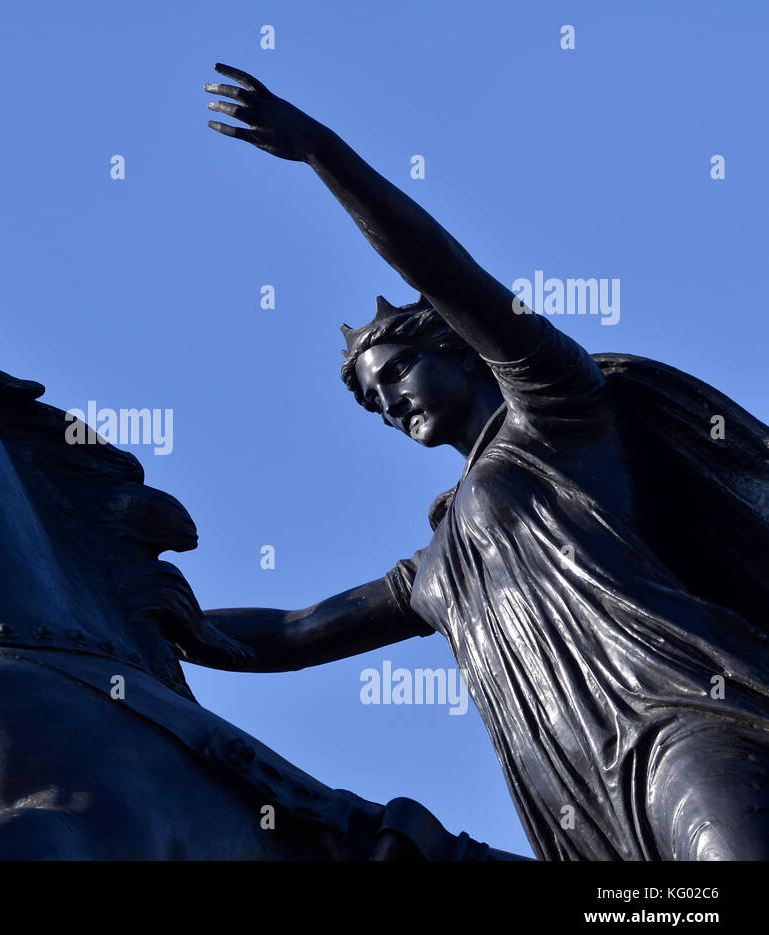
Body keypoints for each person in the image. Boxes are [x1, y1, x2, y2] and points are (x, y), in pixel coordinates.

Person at [195, 63, 769, 860]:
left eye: (395, 373)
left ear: (460, 350)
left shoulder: (558, 412)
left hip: (678, 731)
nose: (389, 402)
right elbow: (293, 631)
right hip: (579, 818)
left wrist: (323, 153)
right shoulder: (435, 568)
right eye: (372, 401)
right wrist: (133, 608)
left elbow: (443, 272)